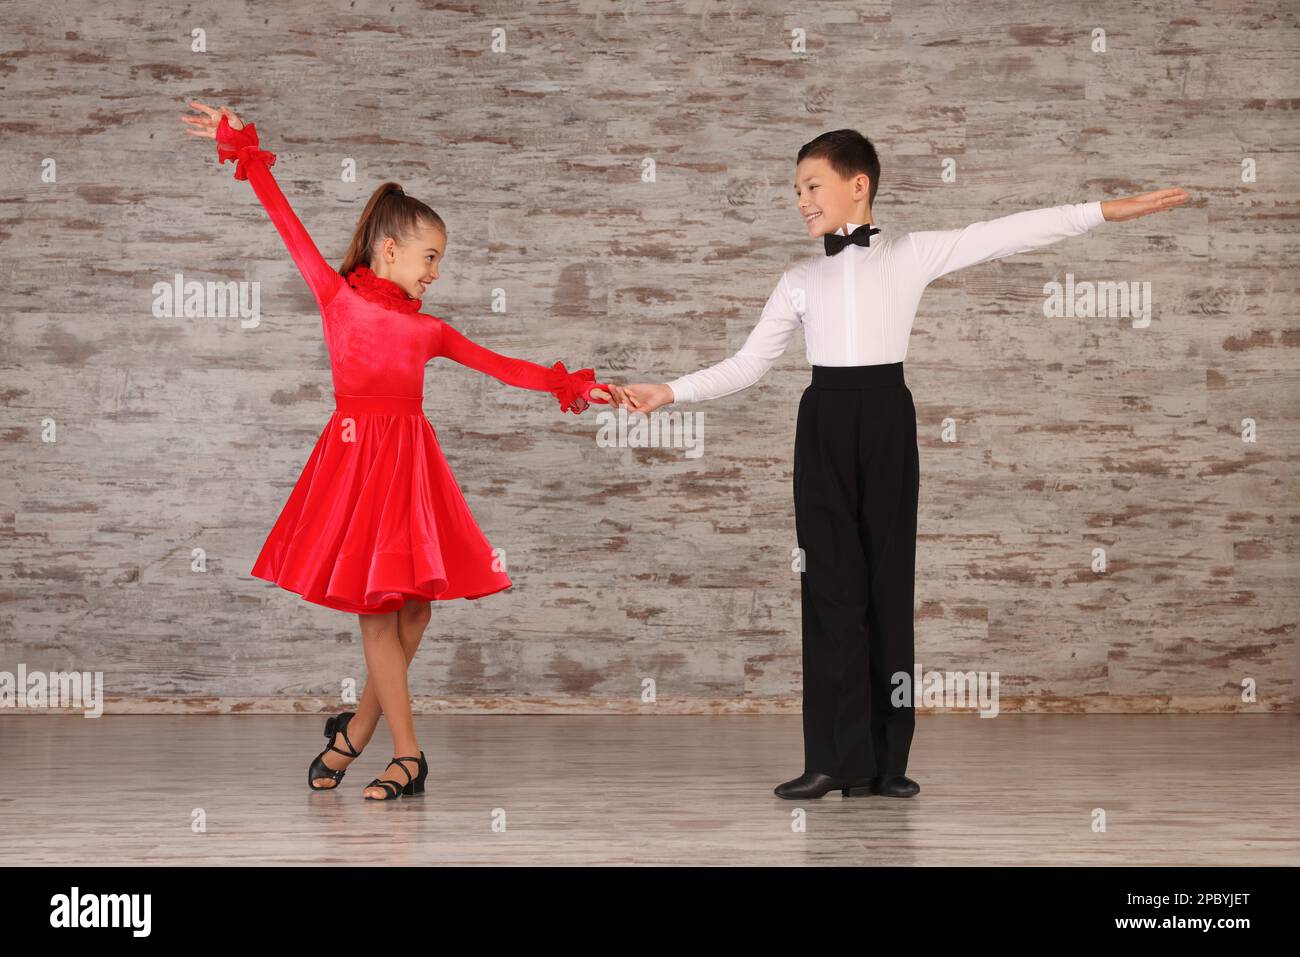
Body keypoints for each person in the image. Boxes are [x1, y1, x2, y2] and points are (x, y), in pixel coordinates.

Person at [608, 129, 1189, 800]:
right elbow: (748, 363)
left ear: (859, 185)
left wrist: (1105, 210)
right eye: (796, 190)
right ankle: (832, 758)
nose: (800, 200)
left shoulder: (912, 253)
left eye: (811, 185)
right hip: (823, 421)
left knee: (888, 585)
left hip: (886, 416)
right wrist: (668, 391)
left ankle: (885, 762)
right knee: (831, 591)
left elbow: (1007, 232)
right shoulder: (799, 277)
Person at [182, 101, 613, 801]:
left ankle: (353, 732)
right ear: (390, 251)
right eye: (430, 257)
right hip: (354, 468)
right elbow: (285, 225)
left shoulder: (429, 331)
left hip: (409, 471)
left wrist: (573, 387)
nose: (436, 272)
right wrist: (244, 150)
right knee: (380, 610)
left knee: (416, 610)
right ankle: (407, 755)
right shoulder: (336, 299)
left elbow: (505, 366)